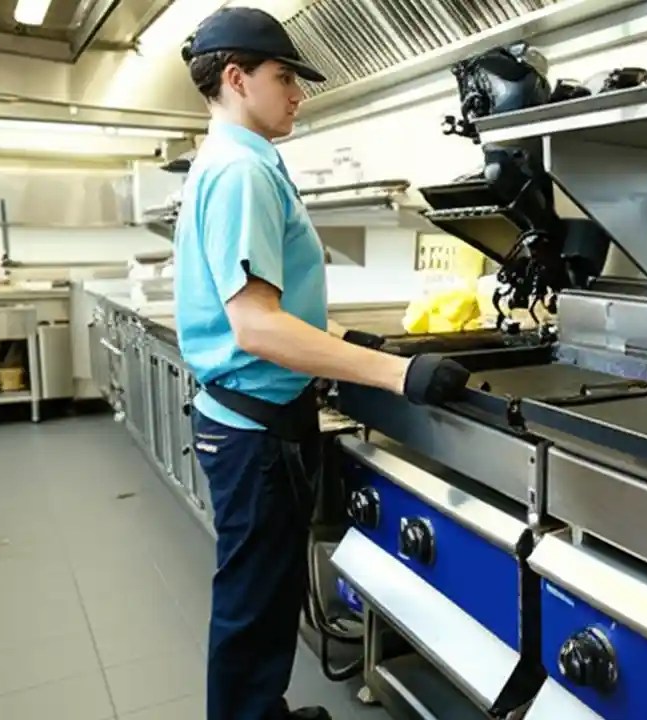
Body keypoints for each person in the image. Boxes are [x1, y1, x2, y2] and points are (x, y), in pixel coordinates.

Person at [173, 8, 471, 720]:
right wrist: (400, 376)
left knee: (266, 593)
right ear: (237, 78)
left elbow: (277, 306)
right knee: (252, 604)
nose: (298, 94)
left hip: (249, 419)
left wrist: (349, 341)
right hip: (254, 430)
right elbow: (256, 326)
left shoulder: (239, 160)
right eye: (285, 78)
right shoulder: (240, 170)